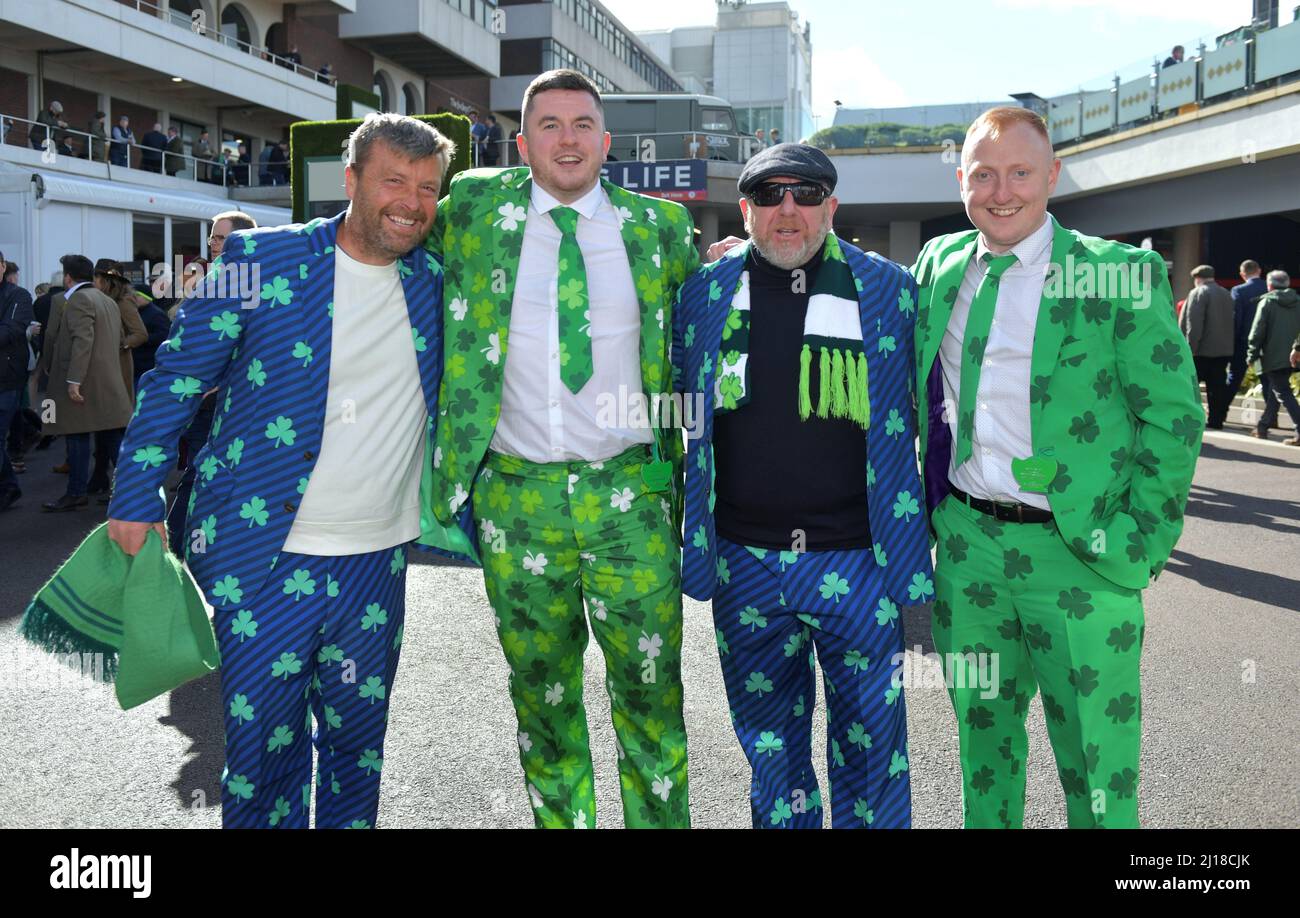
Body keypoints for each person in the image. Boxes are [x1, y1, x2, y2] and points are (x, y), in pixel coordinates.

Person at [107, 114, 453, 829]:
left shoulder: (436, 283)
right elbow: (175, 379)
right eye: (394, 180)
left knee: (360, 748)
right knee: (266, 750)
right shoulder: (259, 260)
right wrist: (135, 494)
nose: (412, 202)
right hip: (260, 555)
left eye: (427, 188)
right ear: (351, 180)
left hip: (378, 560)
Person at [423, 69, 700, 828]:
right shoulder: (474, 209)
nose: (567, 139)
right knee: (542, 705)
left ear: (606, 141)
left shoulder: (662, 230)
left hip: (632, 499)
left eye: (582, 124)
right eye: (549, 124)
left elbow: (697, 346)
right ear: (522, 142)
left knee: (652, 699)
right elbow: (389, 234)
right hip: (516, 497)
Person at [912, 107, 1201, 828]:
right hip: (969, 554)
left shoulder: (1118, 275)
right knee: (983, 754)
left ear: (1052, 175)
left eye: (1019, 173)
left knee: (1098, 769)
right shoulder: (939, 266)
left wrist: (1139, 540)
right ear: (961, 180)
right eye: (983, 174)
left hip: (1082, 556)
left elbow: (1174, 418)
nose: (1000, 191)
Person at [675, 144, 932, 828]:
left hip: (861, 560)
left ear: (832, 206)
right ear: (746, 208)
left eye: (807, 193)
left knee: (874, 752)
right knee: (771, 756)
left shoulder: (890, 289)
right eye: (770, 194)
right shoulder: (702, 294)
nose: (788, 208)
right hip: (743, 565)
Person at [163, 216, 254, 554]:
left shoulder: (249, 283)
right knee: (201, 474)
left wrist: (218, 379)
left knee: (199, 476)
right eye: (212, 238)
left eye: (220, 238)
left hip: (228, 404)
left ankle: (171, 554)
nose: (213, 245)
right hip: (199, 403)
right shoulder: (213, 279)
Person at [38, 254, 134, 512]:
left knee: (77, 437)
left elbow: (83, 340)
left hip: (85, 383)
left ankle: (76, 492)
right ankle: (132, 493)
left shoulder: (78, 299)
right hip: (107, 383)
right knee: (114, 438)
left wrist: (73, 380)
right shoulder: (106, 300)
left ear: (68, 277)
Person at [86, 259, 147, 499]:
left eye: (96, 278)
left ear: (106, 281)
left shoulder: (122, 302)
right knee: (103, 431)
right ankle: (100, 477)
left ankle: (126, 488)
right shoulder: (105, 301)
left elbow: (140, 334)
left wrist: (118, 344)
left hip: (118, 371)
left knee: (114, 431)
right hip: (107, 371)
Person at [1246, 270, 1300, 445]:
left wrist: (1251, 354)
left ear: (1269, 285)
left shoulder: (1267, 302)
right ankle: (1263, 426)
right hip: (1294, 354)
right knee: (1275, 390)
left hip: (1273, 355)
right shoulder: (1297, 301)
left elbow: (1257, 331)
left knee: (1282, 391)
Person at [1179, 264, 1235, 429]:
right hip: (1223, 350)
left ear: (1197, 278)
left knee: (1190, 387)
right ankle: (1217, 420)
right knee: (1217, 387)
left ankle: (1191, 418)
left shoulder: (1198, 293)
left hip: (1201, 351)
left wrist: (1189, 348)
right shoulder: (1226, 293)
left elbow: (1193, 325)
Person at [1, 247, 35, 512]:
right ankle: (9, 486)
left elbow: (10, 331)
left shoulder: (18, 295)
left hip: (6, 378)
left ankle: (9, 486)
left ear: (2, 267)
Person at [1229, 260, 1267, 394]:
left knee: (1234, 379)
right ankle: (1270, 414)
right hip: (1267, 342)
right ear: (1259, 271)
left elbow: (1235, 319)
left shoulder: (1238, 291)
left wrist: (1232, 342)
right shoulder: (1269, 288)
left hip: (1243, 342)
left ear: (1242, 274)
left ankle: (1220, 412)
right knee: (1267, 381)